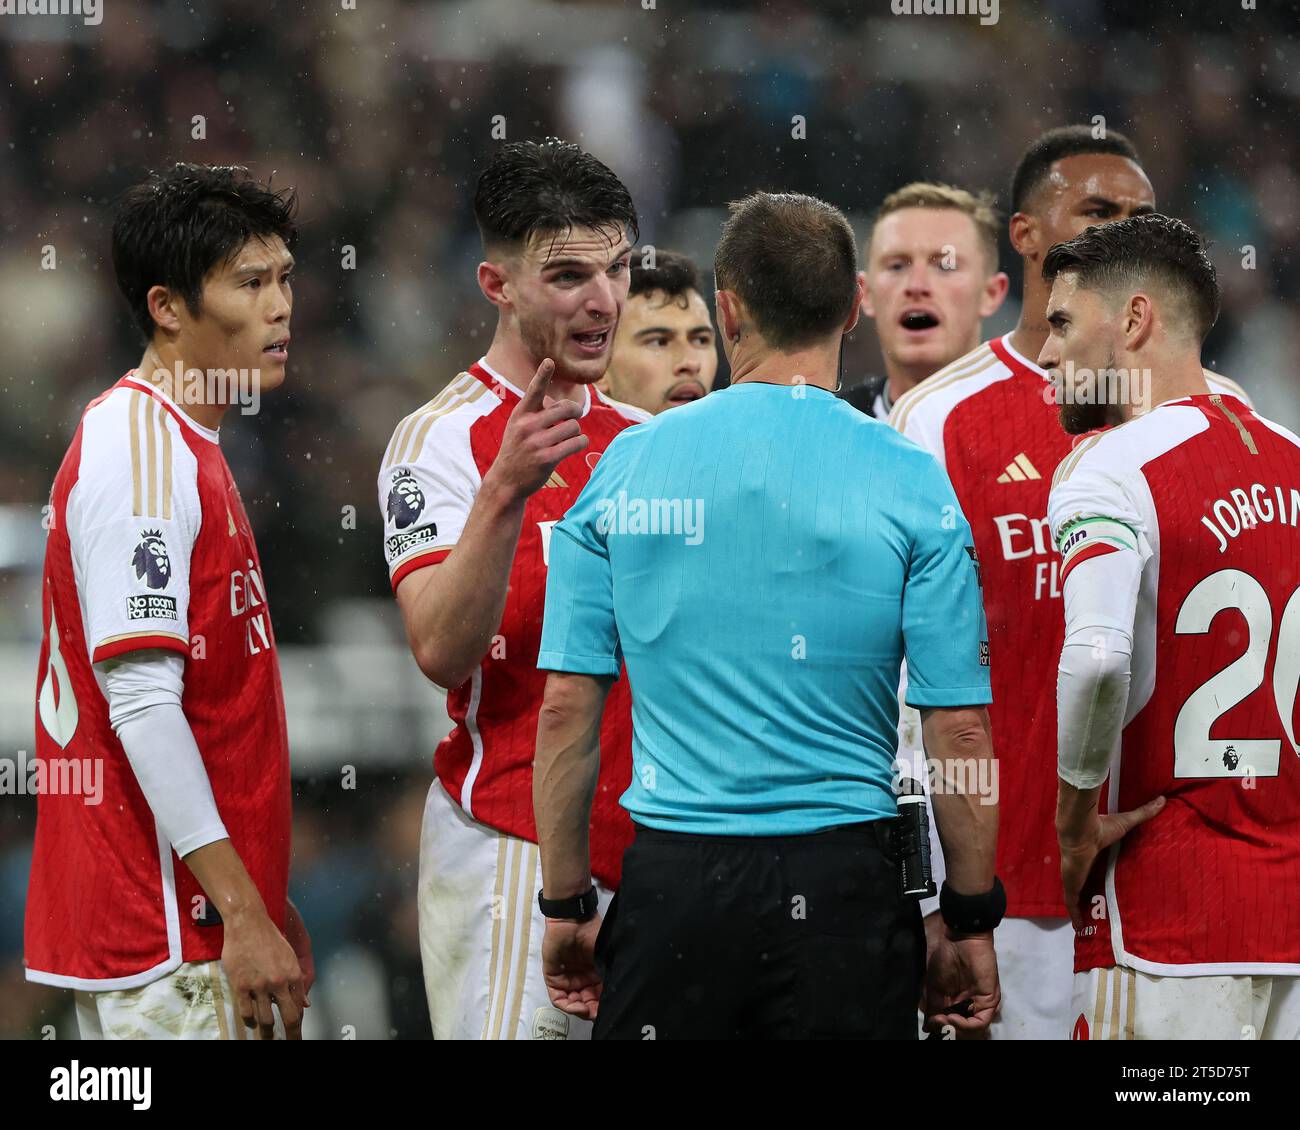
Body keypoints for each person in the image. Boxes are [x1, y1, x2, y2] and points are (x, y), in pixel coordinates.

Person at [532, 191, 1001, 1040]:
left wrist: (565, 901)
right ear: (855, 307)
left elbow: (567, 705)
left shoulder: (625, 468)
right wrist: (964, 916)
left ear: (729, 308)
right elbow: (957, 731)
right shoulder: (912, 479)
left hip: (676, 884)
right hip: (848, 885)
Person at [888, 125, 1251, 1039]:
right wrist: (924, 892)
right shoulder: (940, 417)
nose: (1124, 229)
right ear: (1024, 234)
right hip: (1005, 888)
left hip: (1171, 881)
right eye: (1098, 212)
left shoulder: (1231, 414)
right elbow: (897, 686)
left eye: (1140, 215)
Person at [25, 163, 311, 1040]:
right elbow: (144, 703)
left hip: (202, 923)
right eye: (251, 283)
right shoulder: (139, 451)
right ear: (168, 307)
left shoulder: (191, 442)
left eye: (286, 278)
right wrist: (241, 913)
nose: (281, 307)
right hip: (171, 936)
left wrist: (262, 902)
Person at [377, 139, 646, 1041]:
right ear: (497, 285)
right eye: (567, 275)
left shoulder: (648, 441)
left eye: (617, 269)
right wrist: (502, 492)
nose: (602, 300)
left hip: (654, 857)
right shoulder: (440, 440)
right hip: (511, 855)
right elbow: (440, 651)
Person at [1042, 214, 1300, 1039]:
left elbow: (1094, 662)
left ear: (1133, 320)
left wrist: (1073, 825)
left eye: (1061, 324)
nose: (1047, 357)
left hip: (1166, 923)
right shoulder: (1295, 460)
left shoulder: (1108, 469)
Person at [843, 182, 1008, 420]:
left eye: (945, 265)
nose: (916, 286)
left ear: (990, 294)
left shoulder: (1040, 425)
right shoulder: (826, 430)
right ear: (865, 294)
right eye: (897, 265)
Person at [598, 249, 718, 414]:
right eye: (659, 342)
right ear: (599, 369)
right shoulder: (555, 438)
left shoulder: (753, 438)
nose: (691, 364)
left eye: (700, 340)